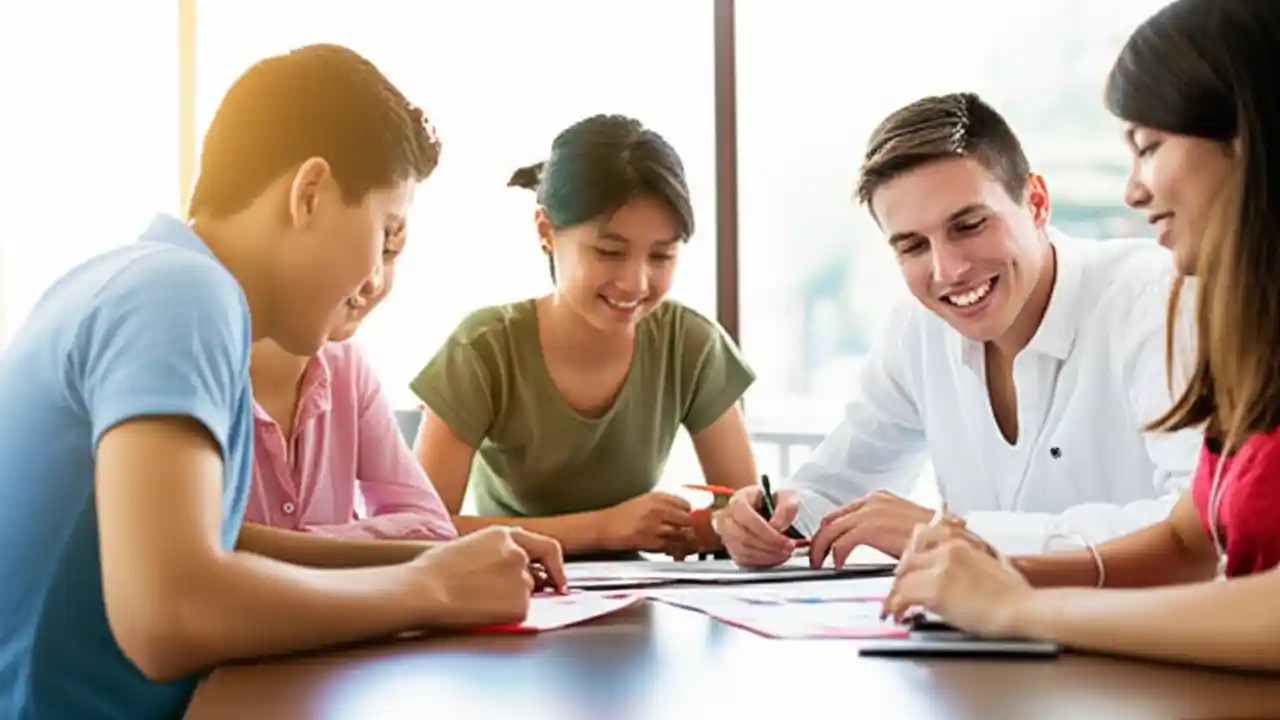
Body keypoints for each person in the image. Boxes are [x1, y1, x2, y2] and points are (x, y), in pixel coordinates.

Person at [0, 44, 563, 720]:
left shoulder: (136, 279)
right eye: (385, 237)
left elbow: (225, 542)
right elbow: (166, 613)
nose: (377, 282)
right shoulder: (183, 292)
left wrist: (444, 558)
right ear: (311, 192)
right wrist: (431, 590)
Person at [883, 0, 1280, 673]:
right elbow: (1190, 539)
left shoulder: (1150, 300)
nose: (1132, 190)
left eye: (1149, 148)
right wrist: (1004, 574)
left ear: (1247, 138)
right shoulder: (1256, 340)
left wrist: (1020, 612)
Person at [718, 92, 1202, 568]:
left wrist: (952, 536)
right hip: (981, 638)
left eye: (968, 226)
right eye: (912, 247)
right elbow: (836, 488)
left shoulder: (1157, 301)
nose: (947, 270)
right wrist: (774, 520)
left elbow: (1202, 525)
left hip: (1140, 637)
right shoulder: (918, 327)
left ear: (1035, 202)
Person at [412, 114, 758, 559]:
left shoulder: (690, 343)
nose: (636, 283)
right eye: (609, 252)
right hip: (508, 592)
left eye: (661, 255)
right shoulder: (482, 349)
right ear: (545, 232)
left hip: (637, 607)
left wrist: (712, 527)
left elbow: (743, 507)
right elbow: (422, 530)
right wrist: (604, 529)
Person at [243, 198, 457, 546]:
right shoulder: (199, 363)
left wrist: (285, 544)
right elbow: (197, 551)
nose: (374, 281)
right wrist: (353, 546)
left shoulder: (346, 367)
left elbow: (431, 527)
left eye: (389, 253)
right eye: (367, 246)